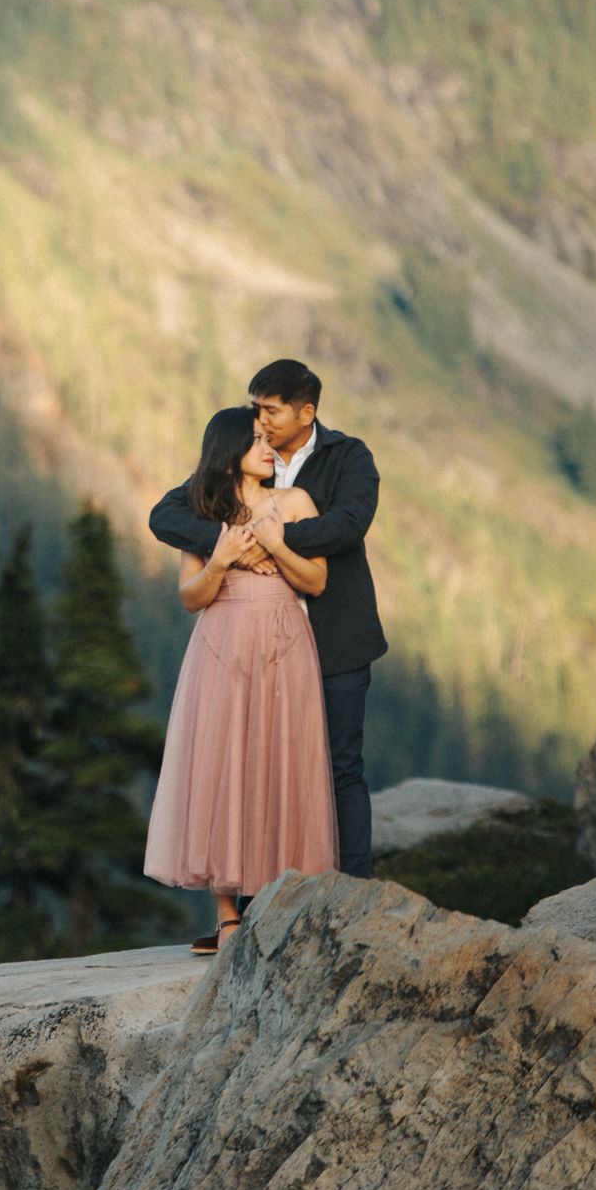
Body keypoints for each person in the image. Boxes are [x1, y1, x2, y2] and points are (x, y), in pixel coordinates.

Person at [149, 361, 388, 892]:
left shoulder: (347, 457)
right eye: (256, 409)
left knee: (338, 768)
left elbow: (348, 525)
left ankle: (349, 897)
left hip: (336, 639)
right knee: (254, 767)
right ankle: (254, 904)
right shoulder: (242, 457)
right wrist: (230, 542)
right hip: (251, 643)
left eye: (271, 410)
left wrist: (277, 541)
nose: (261, 419)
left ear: (307, 413)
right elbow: (166, 515)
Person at [141, 406, 338, 954]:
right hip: (222, 642)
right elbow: (190, 596)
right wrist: (222, 559)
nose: (269, 448)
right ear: (229, 452)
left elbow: (316, 581)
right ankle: (227, 913)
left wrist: (277, 546)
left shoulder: (294, 503)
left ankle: (284, 903)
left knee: (284, 761)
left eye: (268, 439)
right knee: (224, 764)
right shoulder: (207, 514)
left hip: (283, 641)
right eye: (256, 440)